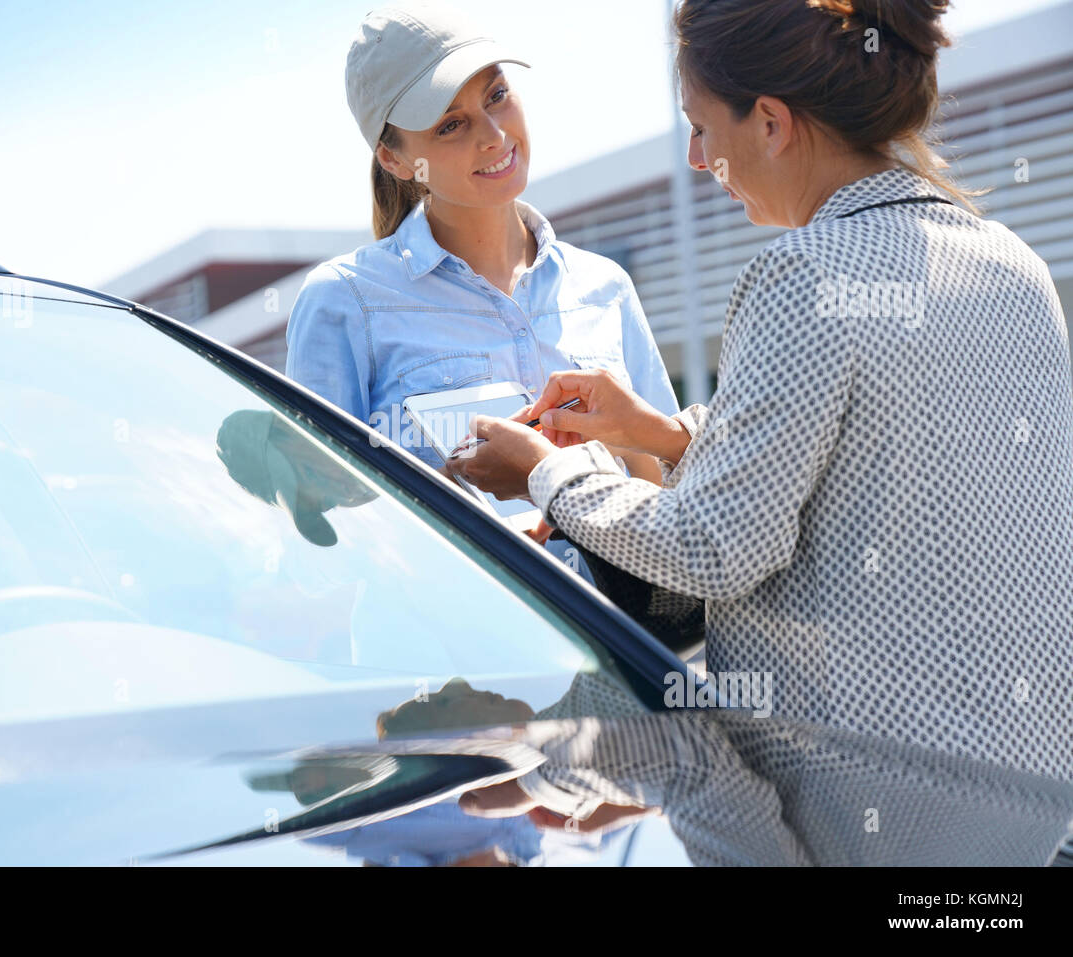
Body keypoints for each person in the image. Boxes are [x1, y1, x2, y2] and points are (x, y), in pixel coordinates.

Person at [450, 0, 1073, 783]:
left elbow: (712, 548)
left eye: (703, 127)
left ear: (772, 123)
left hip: (864, 801)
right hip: (1026, 804)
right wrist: (662, 433)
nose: (694, 156)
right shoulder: (1011, 264)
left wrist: (545, 472)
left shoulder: (803, 273)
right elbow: (870, 454)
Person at [284, 2, 679, 581]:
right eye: (450, 124)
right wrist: (448, 500)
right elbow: (315, 526)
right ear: (394, 158)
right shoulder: (344, 301)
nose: (495, 136)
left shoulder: (604, 287)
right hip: (451, 665)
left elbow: (673, 483)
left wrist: (612, 453)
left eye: (496, 95)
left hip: (618, 645)